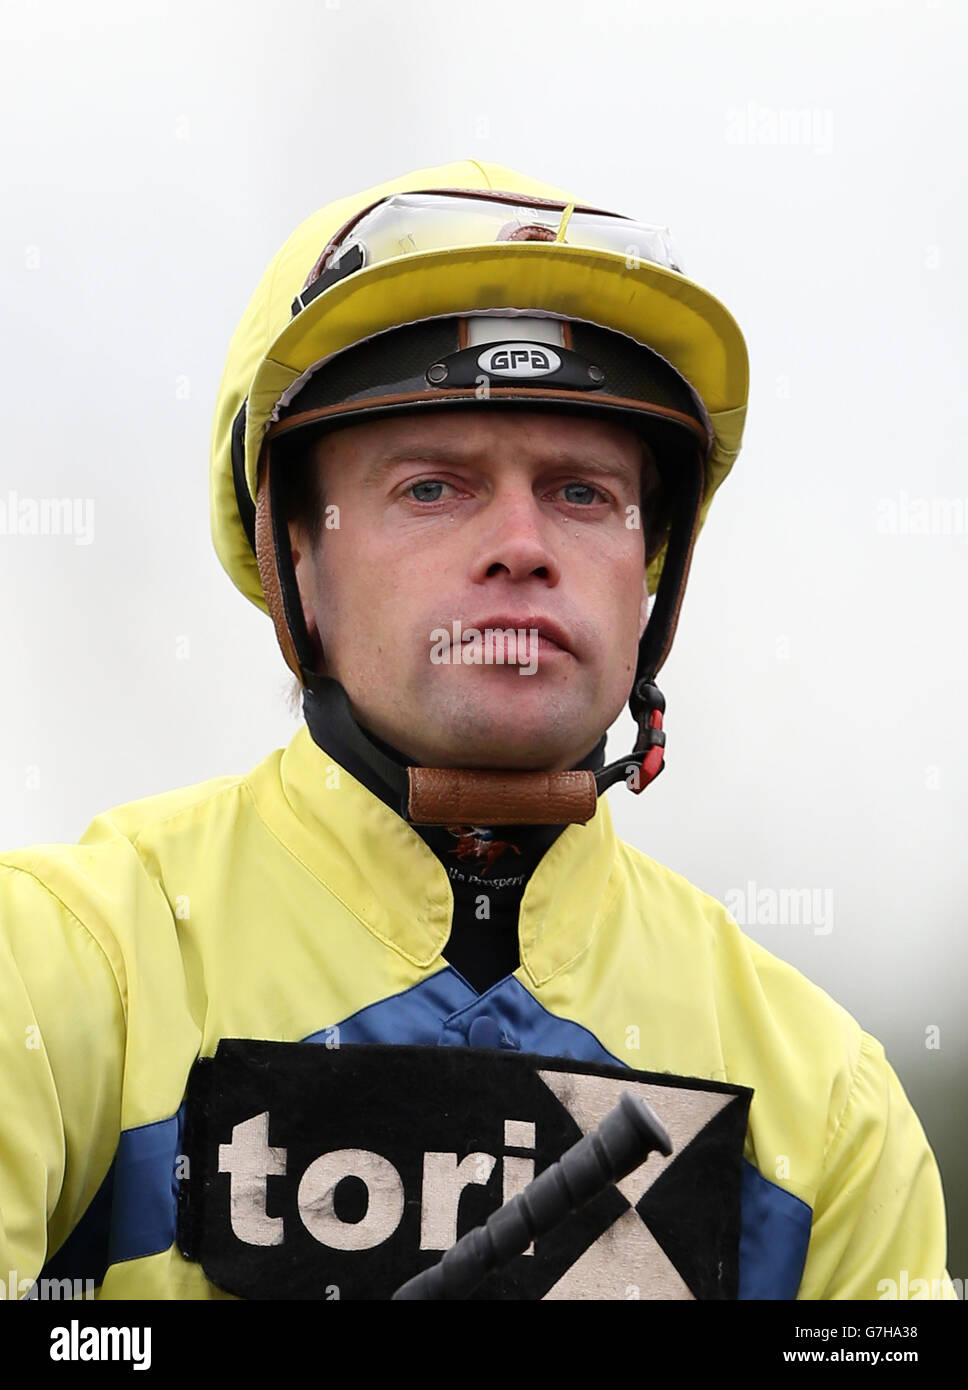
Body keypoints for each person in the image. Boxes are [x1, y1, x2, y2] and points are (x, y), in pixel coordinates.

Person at [0, 159, 953, 1302]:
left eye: (581, 491)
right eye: (434, 487)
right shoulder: (54, 971)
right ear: (292, 548)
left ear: (648, 577)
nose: (520, 544)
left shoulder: (828, 1103)